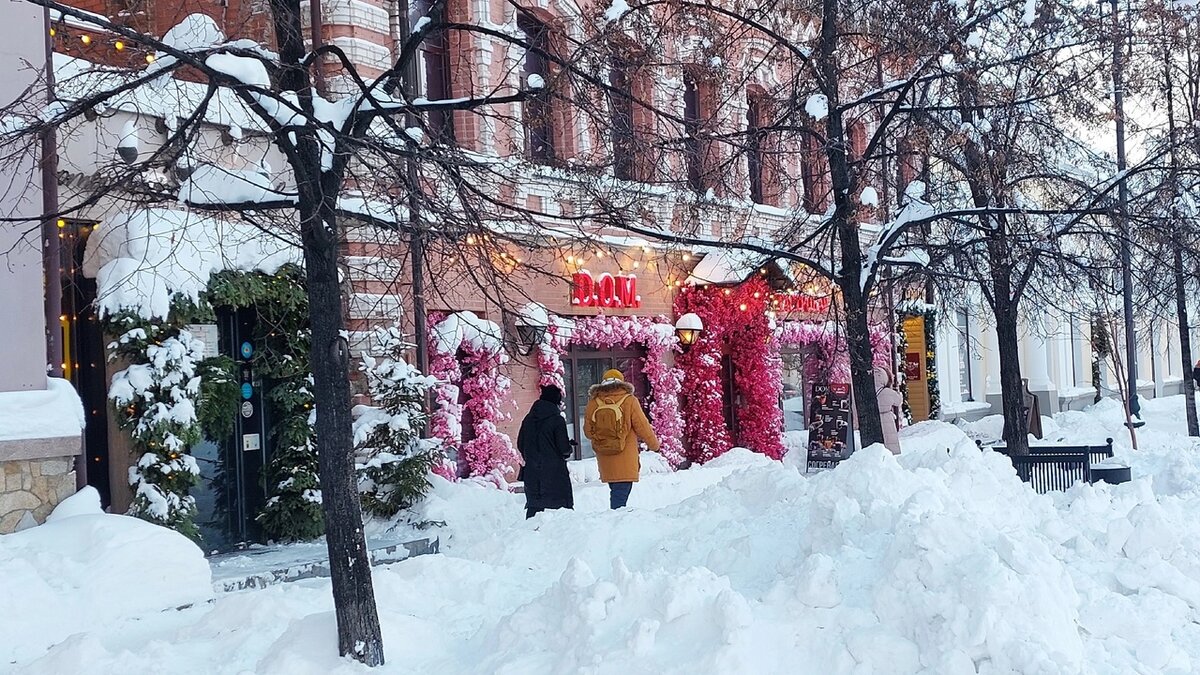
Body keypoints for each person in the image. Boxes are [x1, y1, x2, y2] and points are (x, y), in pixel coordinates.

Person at [583, 369, 660, 509]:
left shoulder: (594, 403)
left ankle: (617, 517)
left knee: (616, 490)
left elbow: (588, 432)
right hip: (625, 454)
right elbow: (642, 426)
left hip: (604, 454)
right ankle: (616, 520)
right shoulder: (629, 401)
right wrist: (655, 446)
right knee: (621, 494)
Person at [516, 385, 574, 519]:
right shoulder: (557, 420)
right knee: (562, 507)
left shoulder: (528, 419)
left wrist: (531, 456)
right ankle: (566, 534)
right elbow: (563, 448)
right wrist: (568, 449)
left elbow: (521, 443)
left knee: (534, 506)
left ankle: (529, 534)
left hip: (532, 470)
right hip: (554, 471)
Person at [874, 365, 903, 454]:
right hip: (887, 418)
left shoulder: (868, 391)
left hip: (874, 419)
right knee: (890, 441)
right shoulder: (888, 392)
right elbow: (898, 401)